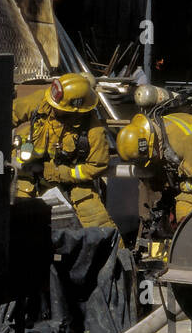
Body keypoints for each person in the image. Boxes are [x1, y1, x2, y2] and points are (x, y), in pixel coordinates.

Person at [11, 73, 116, 231]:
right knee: (16, 218)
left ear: (75, 109)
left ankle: (118, 255)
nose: (52, 107)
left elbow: (97, 166)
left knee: (99, 224)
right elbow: (9, 114)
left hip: (71, 184)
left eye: (58, 107)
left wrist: (59, 173)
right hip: (29, 175)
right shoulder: (44, 102)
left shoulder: (93, 131)